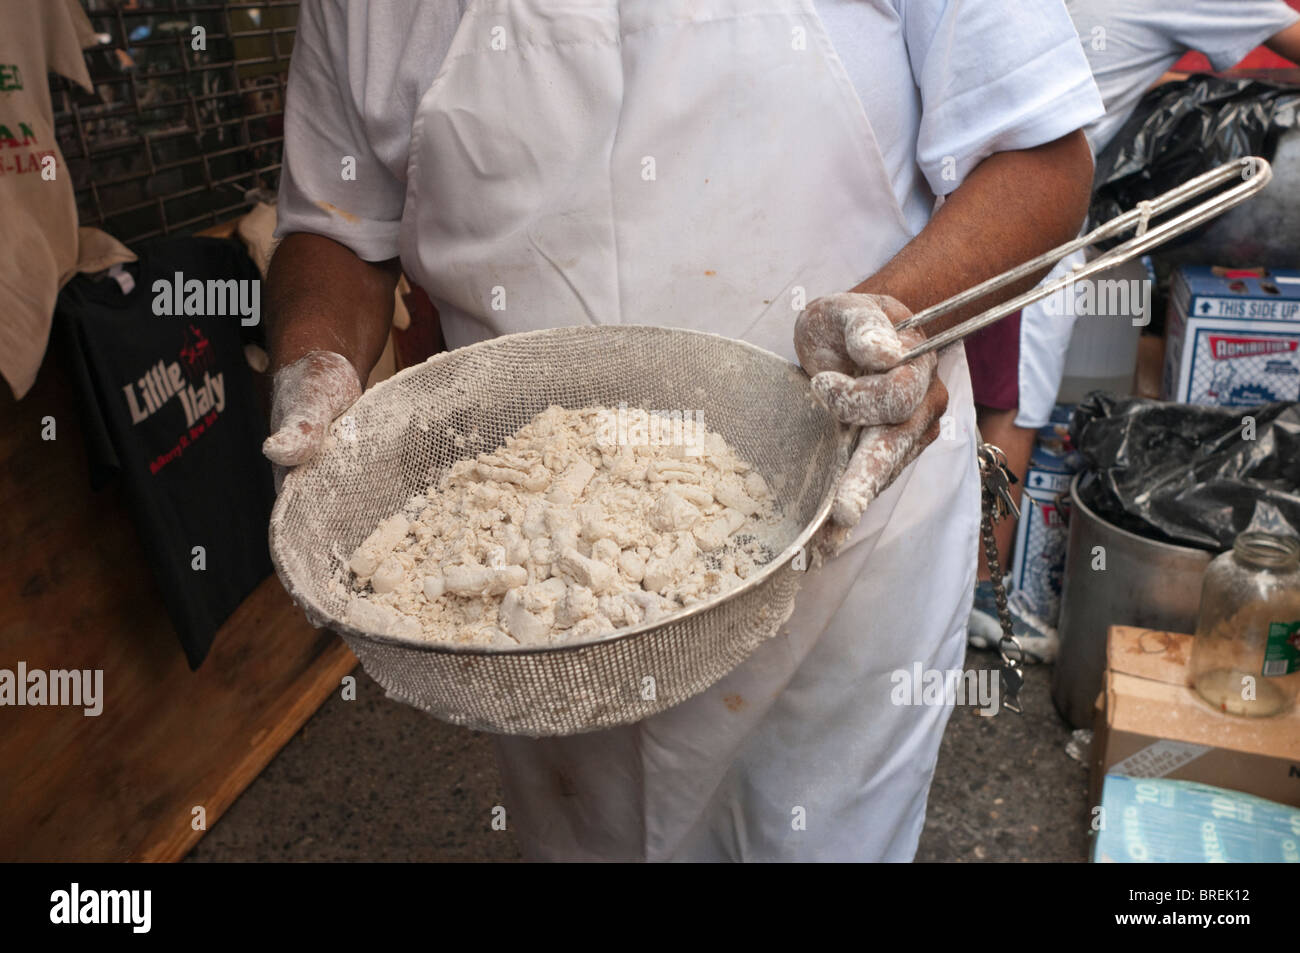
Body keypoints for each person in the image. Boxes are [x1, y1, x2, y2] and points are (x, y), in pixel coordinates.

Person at [265, 0, 1100, 861]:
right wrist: (313, 358)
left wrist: (900, 319)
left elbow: (1041, 155)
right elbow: (334, 227)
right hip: (545, 592)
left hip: (842, 548)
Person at [967, 0, 1300, 660]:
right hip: (1028, 207)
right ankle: (981, 600)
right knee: (1013, 408)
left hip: (969, 179)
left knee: (971, 390)